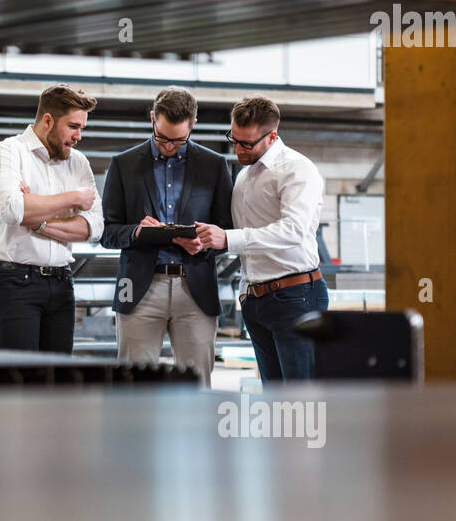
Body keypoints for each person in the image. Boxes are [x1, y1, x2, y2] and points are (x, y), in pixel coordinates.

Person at [99, 86, 232, 382]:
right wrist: (136, 231)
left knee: (198, 385)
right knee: (133, 386)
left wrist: (205, 244)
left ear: (193, 125)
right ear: (152, 119)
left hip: (195, 287)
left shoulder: (214, 165)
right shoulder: (123, 164)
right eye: (162, 137)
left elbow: (227, 233)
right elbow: (106, 232)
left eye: (179, 140)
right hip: (138, 289)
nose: (169, 146)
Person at [193, 96, 327, 382]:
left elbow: (295, 230)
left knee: (300, 398)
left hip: (295, 296)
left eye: (247, 143)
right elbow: (242, 235)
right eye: (234, 139)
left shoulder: (297, 169)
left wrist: (228, 239)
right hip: (256, 298)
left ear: (272, 136)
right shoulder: (245, 175)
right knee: (275, 397)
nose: (238, 148)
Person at [0, 84, 103, 352]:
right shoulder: (8, 152)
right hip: (16, 283)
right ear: (48, 120)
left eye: (82, 127)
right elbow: (13, 211)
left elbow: (95, 227)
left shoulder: (78, 162)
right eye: (73, 126)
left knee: (57, 383)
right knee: (17, 381)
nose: (79, 136)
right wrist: (72, 198)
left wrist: (38, 219)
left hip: (62, 284)